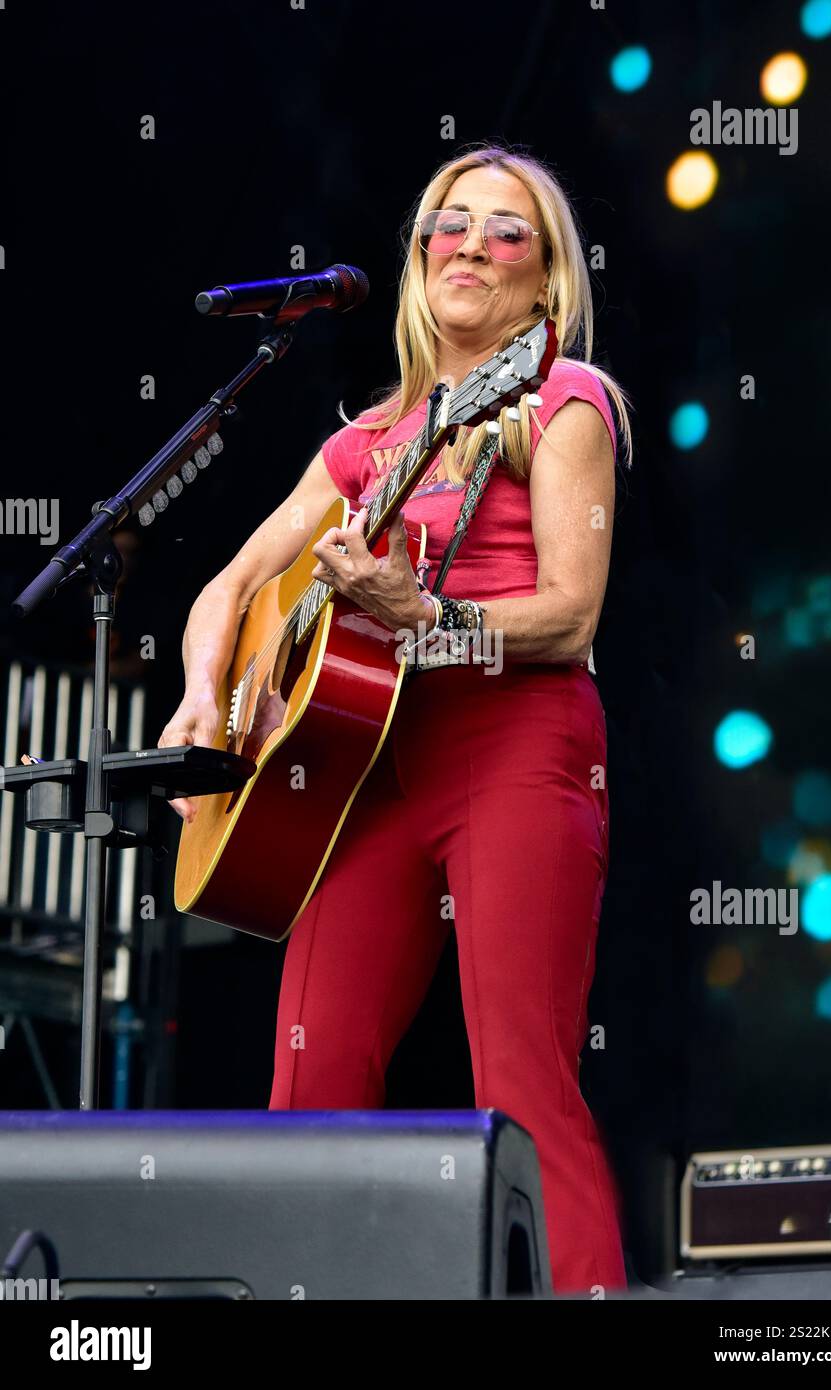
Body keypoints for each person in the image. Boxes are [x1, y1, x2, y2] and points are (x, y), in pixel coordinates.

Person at [159, 142, 633, 1295]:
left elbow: (570, 620)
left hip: (515, 746)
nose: (469, 243)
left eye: (504, 230)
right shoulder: (366, 441)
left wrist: (426, 616)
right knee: (306, 1087)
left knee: (521, 1082)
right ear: (419, 257)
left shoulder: (561, 401)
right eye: (446, 223)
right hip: (360, 770)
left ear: (546, 283)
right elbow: (226, 589)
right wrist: (206, 699)